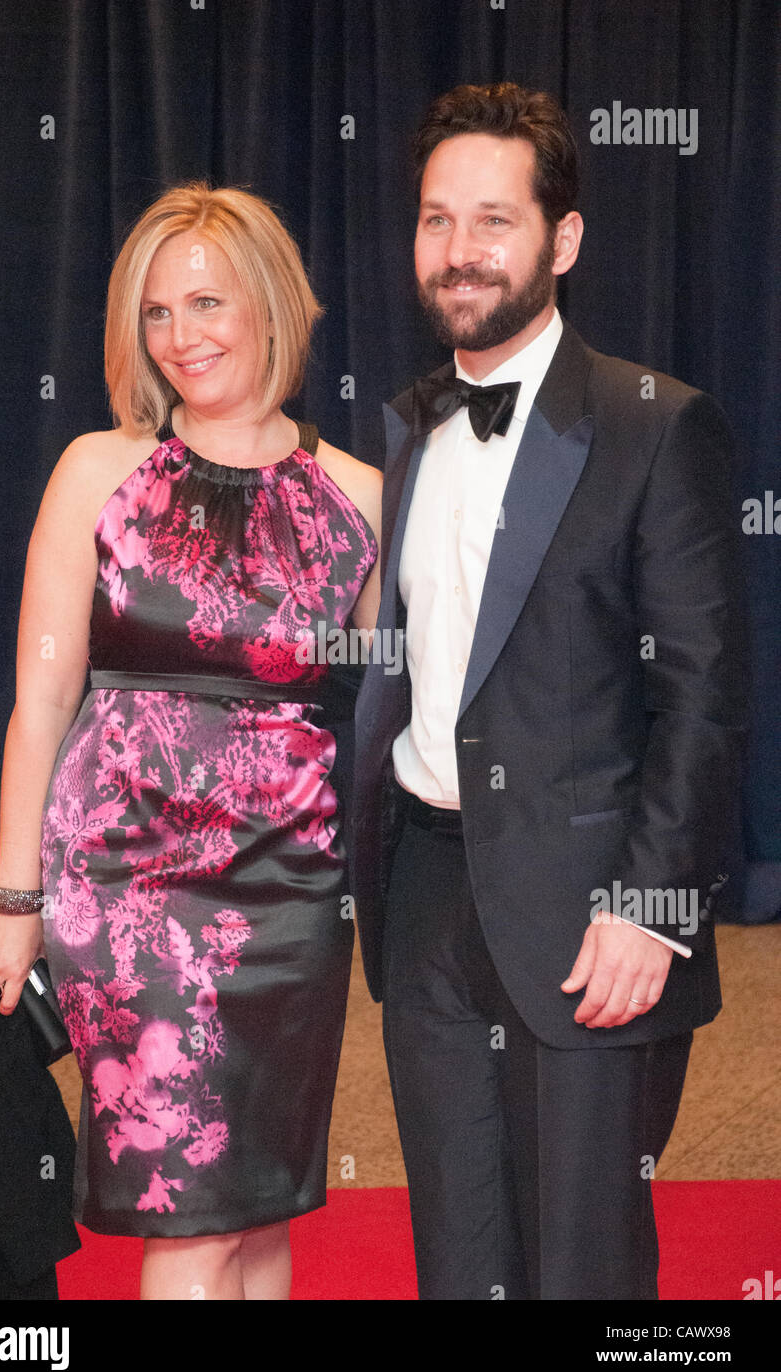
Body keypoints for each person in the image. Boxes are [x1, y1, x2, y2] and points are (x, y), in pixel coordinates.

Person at [349, 82, 747, 1300]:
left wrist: (647, 902)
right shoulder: (409, 428)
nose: (458, 250)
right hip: (422, 896)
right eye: (433, 220)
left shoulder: (652, 426)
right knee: (456, 1256)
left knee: (581, 1268)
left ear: (560, 241)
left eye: (492, 220)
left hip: (588, 920)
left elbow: (703, 695)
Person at [0, 181, 381, 1300]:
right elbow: (42, 699)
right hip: (129, 891)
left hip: (292, 898)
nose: (180, 336)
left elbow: (405, 714)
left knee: (258, 1209)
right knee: (188, 1221)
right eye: (156, 313)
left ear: (272, 308)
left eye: (206, 303)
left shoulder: (359, 500)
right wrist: (16, 906)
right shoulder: (98, 472)